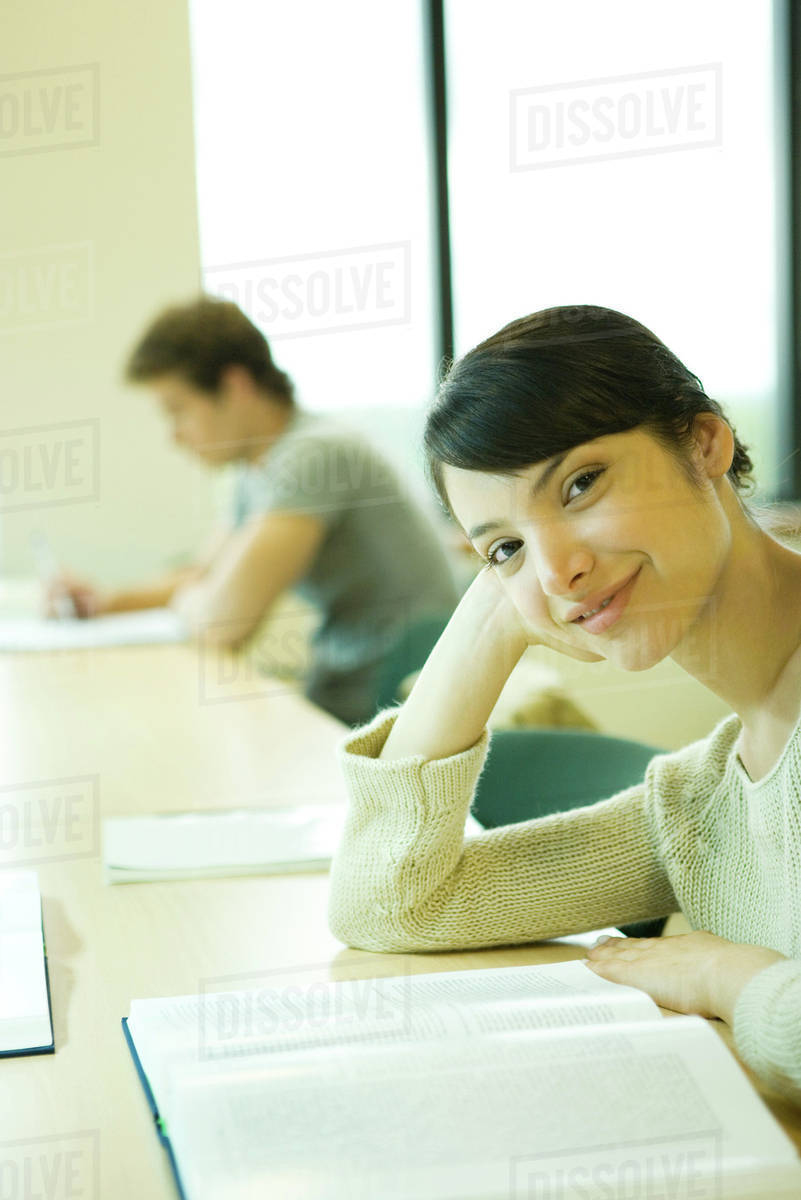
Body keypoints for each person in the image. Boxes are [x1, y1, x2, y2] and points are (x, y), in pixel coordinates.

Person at [328, 304, 801, 1103]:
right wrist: (484, 627)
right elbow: (391, 903)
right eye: (503, 548)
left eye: (580, 485)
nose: (555, 572)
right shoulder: (701, 803)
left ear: (703, 443)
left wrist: (726, 975)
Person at [48, 296, 458, 724]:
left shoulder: (313, 455)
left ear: (235, 386)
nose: (174, 436)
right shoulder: (256, 469)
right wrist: (104, 602)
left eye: (177, 410)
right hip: (350, 685)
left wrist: (193, 602)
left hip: (394, 698)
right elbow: (203, 575)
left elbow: (222, 625)